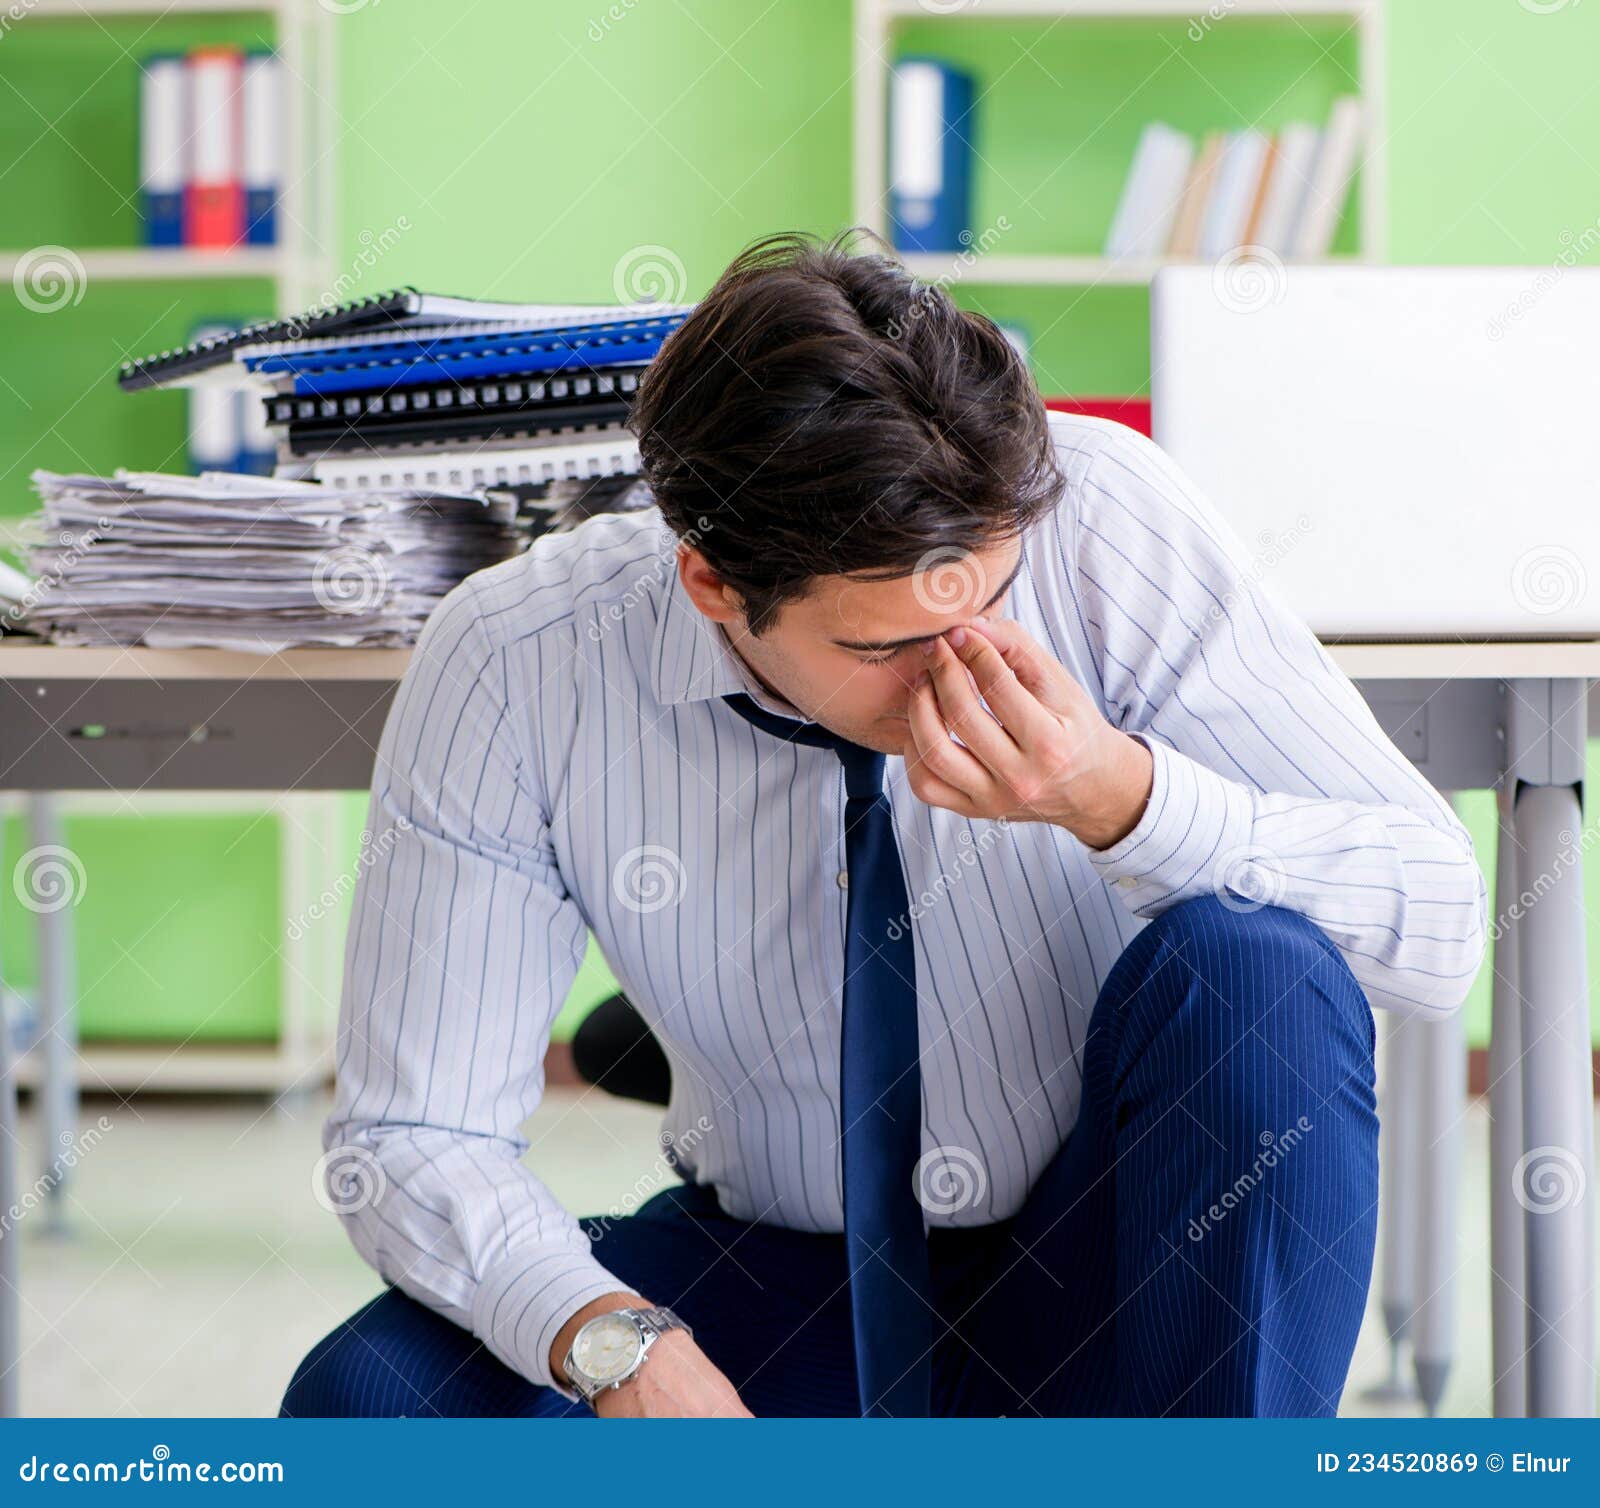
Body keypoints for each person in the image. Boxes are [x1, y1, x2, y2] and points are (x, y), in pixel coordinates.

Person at [281, 230, 1486, 1420]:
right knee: (371, 1399)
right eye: (883, 645)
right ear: (711, 581)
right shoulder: (519, 654)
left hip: (1115, 1265)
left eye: (995, 598)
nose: (964, 671)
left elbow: (1436, 930)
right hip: (774, 1278)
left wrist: (1123, 798)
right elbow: (414, 1130)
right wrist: (608, 1338)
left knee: (1253, 975)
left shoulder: (1107, 513)